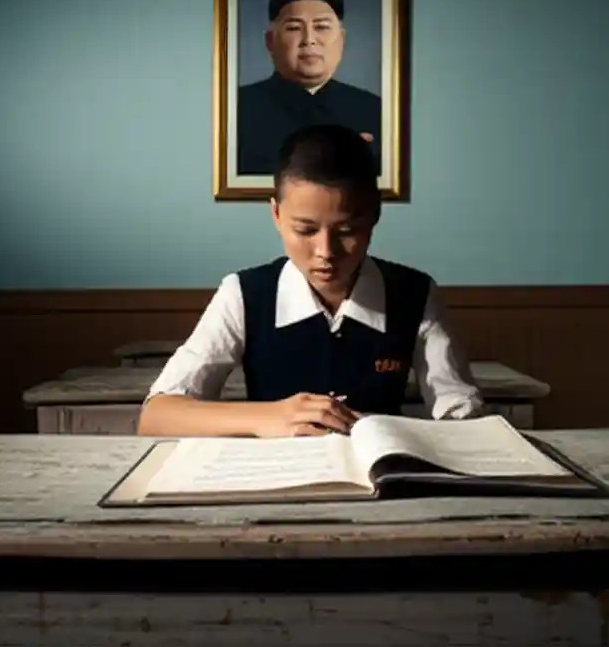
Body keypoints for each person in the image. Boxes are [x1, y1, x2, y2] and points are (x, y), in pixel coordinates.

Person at [138, 124, 486, 438]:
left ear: (375, 214)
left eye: (346, 230)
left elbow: (460, 412)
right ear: (276, 214)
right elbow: (157, 416)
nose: (325, 252)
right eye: (305, 230)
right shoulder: (244, 293)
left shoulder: (415, 293)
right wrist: (270, 417)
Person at [236, 0, 382, 176]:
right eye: (294, 28)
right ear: (270, 41)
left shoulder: (375, 111)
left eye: (321, 27)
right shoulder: (234, 108)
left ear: (342, 40)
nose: (309, 40)